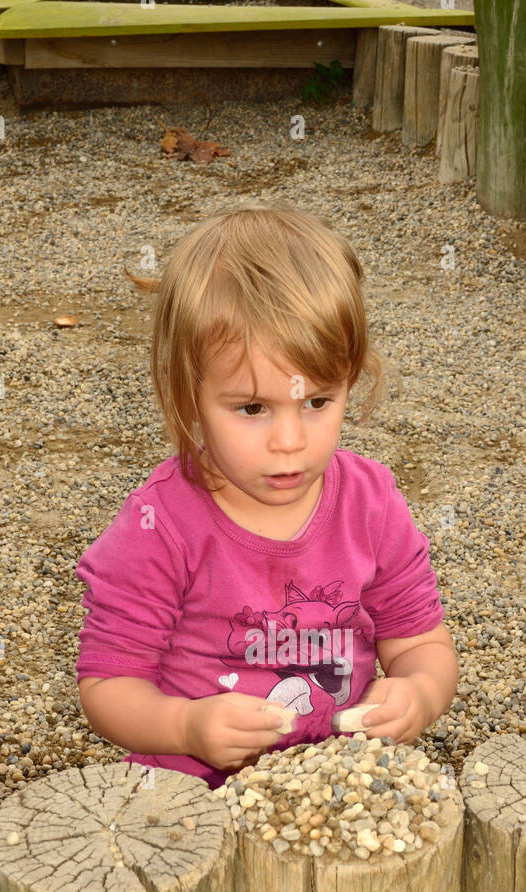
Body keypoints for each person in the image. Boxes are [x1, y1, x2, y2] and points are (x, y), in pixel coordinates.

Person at [75, 201, 458, 790]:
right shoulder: (161, 523)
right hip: (194, 801)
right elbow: (107, 686)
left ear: (351, 382)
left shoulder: (371, 502)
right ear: (188, 393)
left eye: (317, 402)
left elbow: (422, 645)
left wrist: (417, 695)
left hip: (340, 792)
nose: (290, 442)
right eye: (252, 408)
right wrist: (186, 725)